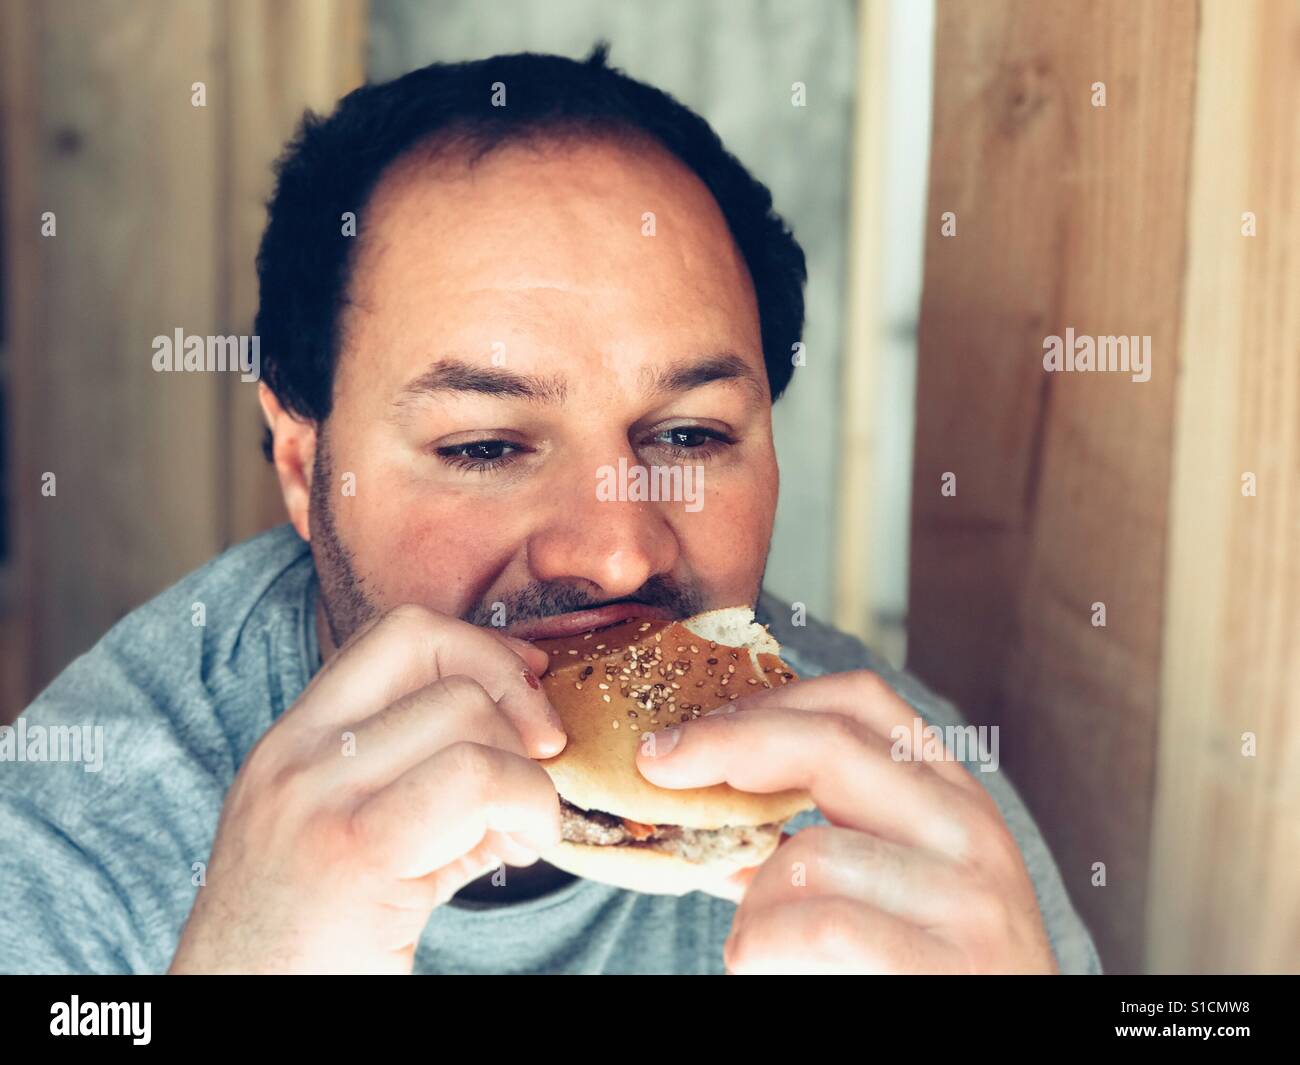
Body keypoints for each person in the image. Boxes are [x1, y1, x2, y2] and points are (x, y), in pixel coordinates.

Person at [0, 45, 1100, 974]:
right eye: (483, 446)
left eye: (689, 435)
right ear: (302, 465)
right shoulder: (78, 839)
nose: (618, 551)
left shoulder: (906, 812)